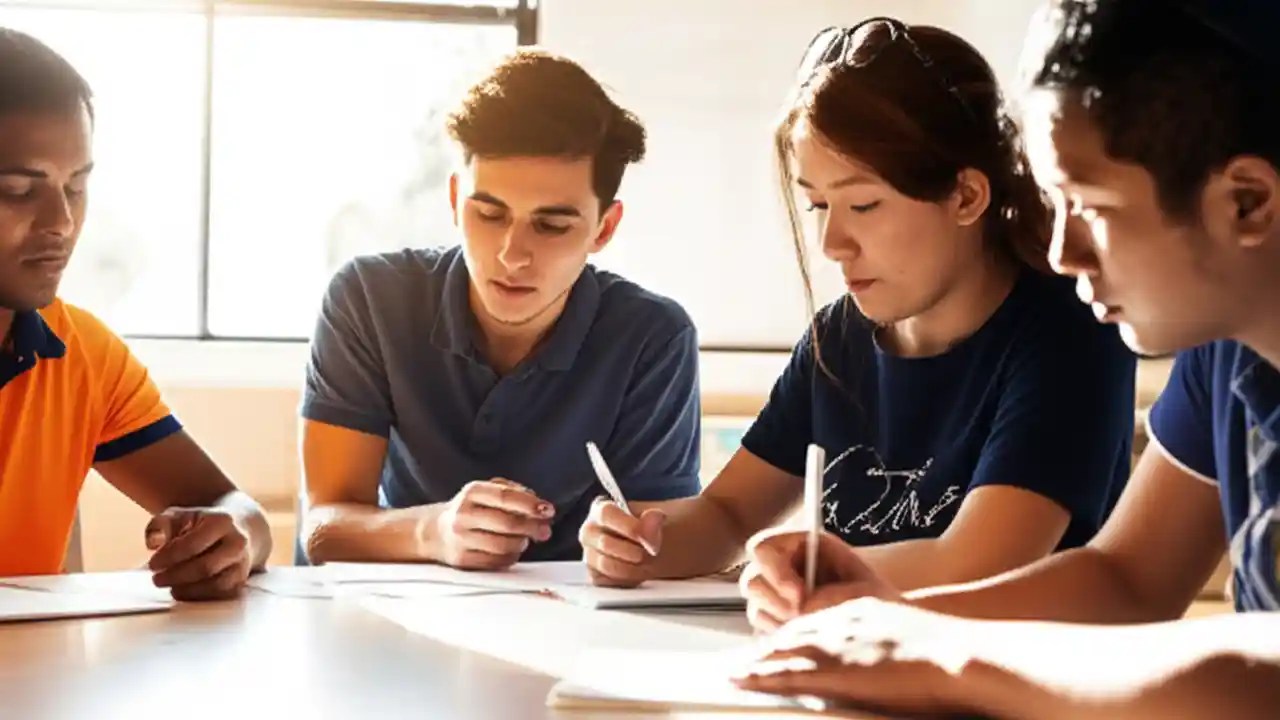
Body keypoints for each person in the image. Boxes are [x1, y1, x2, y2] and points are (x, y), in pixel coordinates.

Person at [734, 2, 1280, 718]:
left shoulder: (1059, 330)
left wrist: (945, 654)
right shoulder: (1222, 352)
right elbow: (1126, 579)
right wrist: (888, 613)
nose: (1062, 254)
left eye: (1091, 206)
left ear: (1246, 203)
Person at [581, 18, 1136, 605]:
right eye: (817, 204)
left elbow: (979, 560)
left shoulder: (1068, 333)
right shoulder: (840, 336)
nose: (830, 244)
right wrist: (643, 542)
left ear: (967, 196)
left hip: (1001, 687)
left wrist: (801, 570)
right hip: (857, 676)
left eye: (864, 205)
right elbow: (727, 513)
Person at [299, 49, 701, 569]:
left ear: (604, 228)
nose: (512, 255)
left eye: (552, 226)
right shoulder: (369, 298)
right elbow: (324, 528)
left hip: (571, 624)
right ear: (453, 200)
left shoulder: (653, 337)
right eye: (488, 214)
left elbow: (654, 550)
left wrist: (633, 552)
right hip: (396, 610)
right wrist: (434, 533)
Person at [0, 28, 271, 599]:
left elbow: (235, 507)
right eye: (19, 190)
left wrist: (231, 538)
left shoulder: (82, 352)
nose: (62, 223)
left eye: (76, 187)